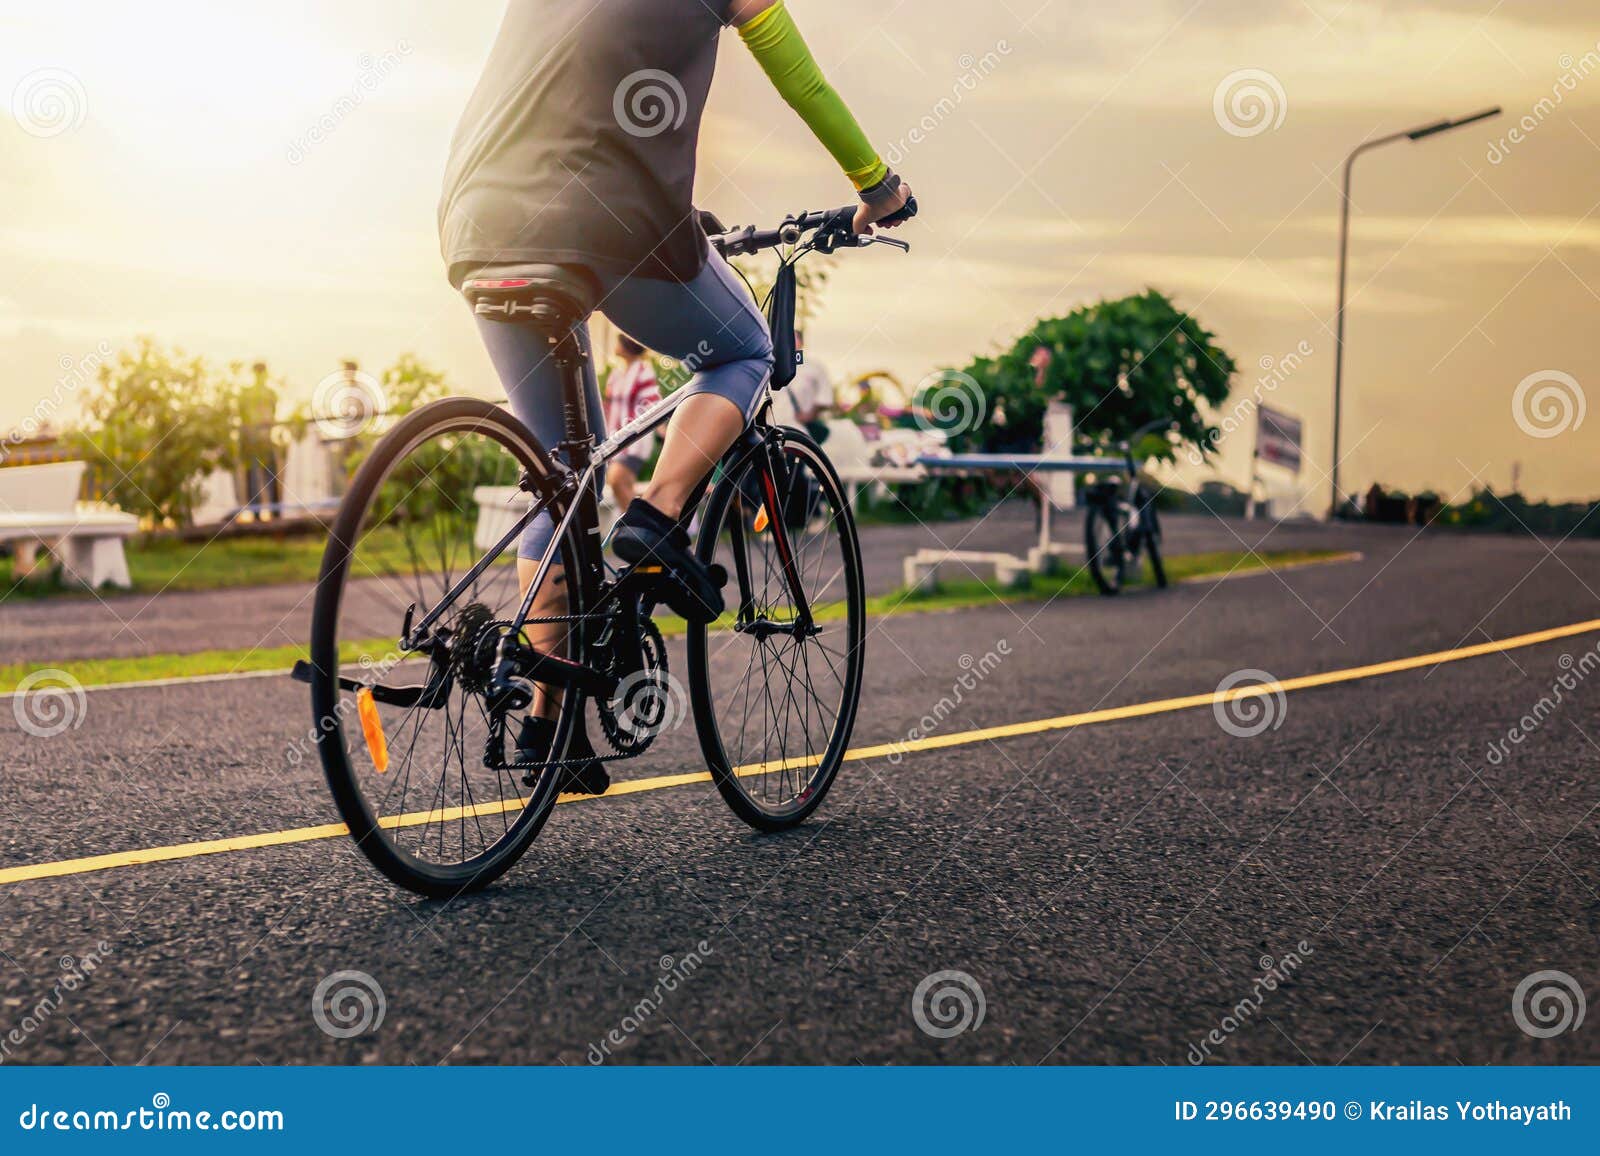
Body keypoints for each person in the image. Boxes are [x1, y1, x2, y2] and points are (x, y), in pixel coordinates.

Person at [439, 0, 914, 792]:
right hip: (601, 218)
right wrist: (879, 185)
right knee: (747, 350)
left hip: (476, 219)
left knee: (562, 481)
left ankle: (547, 723)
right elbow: (805, 83)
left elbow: (565, 89)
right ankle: (658, 520)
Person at [603, 334, 661, 509]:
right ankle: (640, 526)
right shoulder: (616, 374)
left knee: (617, 479)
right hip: (615, 439)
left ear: (628, 345)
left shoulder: (643, 371)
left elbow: (652, 404)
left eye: (619, 341)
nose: (616, 345)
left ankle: (634, 528)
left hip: (635, 440)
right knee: (624, 486)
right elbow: (608, 407)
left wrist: (665, 431)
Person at [772, 329, 834, 443]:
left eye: (793, 338)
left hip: (799, 429)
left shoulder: (814, 367)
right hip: (772, 427)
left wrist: (809, 415)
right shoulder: (772, 366)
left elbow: (825, 396)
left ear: (801, 342)